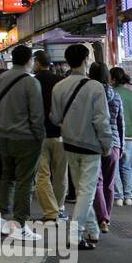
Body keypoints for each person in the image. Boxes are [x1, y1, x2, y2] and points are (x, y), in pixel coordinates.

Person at [49, 45, 112, 251]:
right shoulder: (95, 87)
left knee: (82, 190)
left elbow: (55, 118)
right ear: (86, 59)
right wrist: (107, 145)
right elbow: (102, 121)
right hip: (90, 146)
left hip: (69, 143)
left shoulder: (59, 86)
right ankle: (75, 236)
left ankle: (93, 231)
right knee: (87, 191)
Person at [0, 45, 45, 240]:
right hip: (26, 138)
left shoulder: (1, 79)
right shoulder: (31, 83)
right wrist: (40, 137)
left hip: (4, 136)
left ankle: (3, 220)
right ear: (29, 60)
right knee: (24, 181)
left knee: (7, 177)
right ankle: (20, 224)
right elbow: (36, 115)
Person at [33, 50, 68, 221]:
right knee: (61, 175)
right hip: (61, 135)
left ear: (38, 63)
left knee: (42, 175)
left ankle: (50, 211)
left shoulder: (33, 83)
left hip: (39, 136)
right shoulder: (61, 82)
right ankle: (59, 208)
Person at [91, 62, 125, 234]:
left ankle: (102, 218)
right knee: (109, 184)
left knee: (97, 183)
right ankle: (107, 218)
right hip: (114, 144)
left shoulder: (90, 95)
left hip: (95, 143)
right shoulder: (116, 96)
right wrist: (122, 146)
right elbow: (121, 124)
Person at [111, 67, 132, 207]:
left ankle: (119, 196)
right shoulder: (131, 95)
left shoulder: (111, 93)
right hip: (129, 135)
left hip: (115, 135)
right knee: (126, 166)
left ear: (113, 79)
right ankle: (129, 196)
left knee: (115, 166)